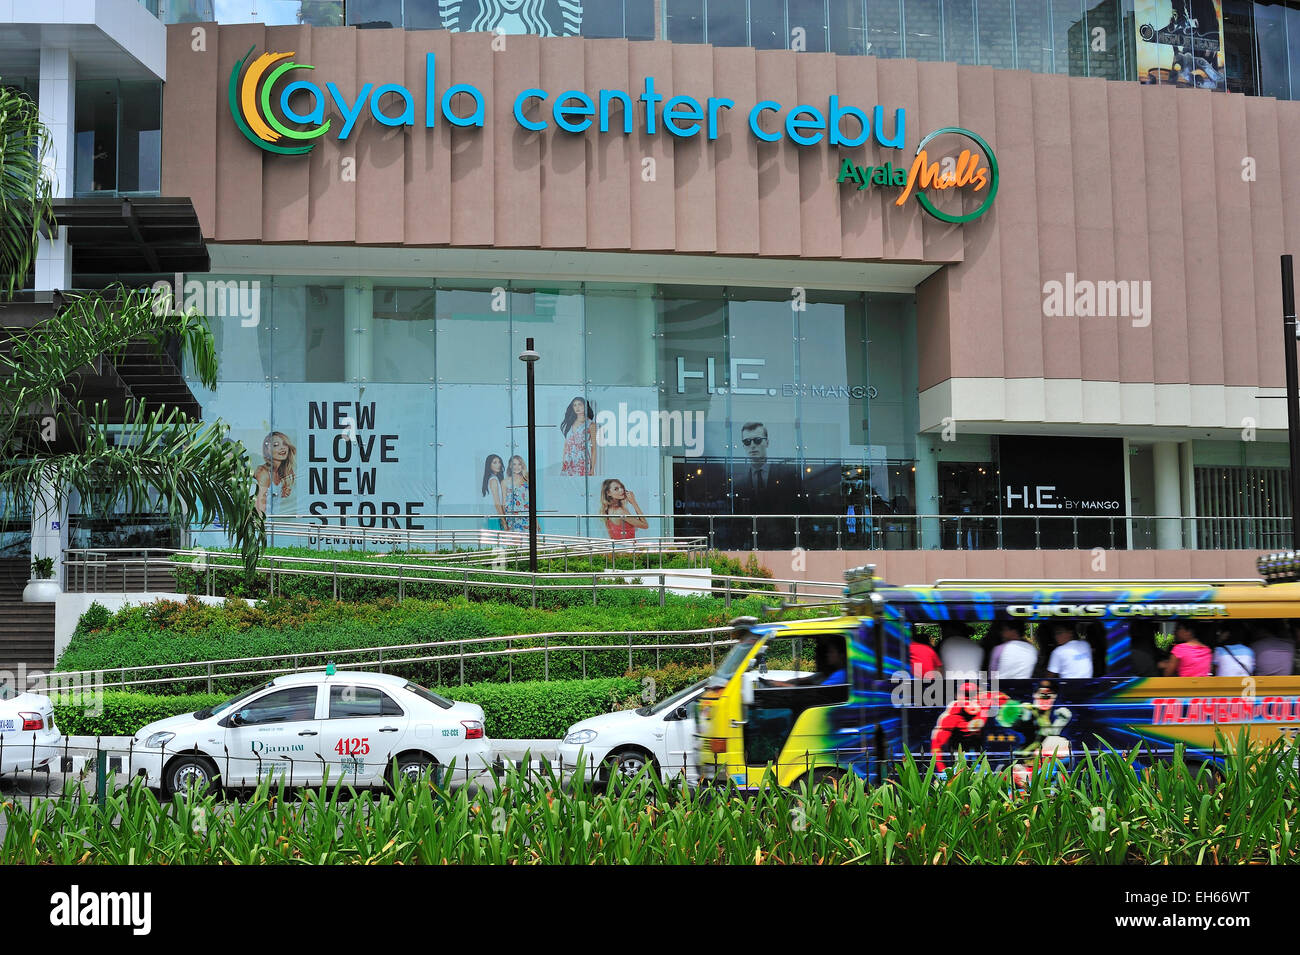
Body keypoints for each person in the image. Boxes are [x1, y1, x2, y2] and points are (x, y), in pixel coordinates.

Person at [253, 432, 296, 516]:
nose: (282, 448)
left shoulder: (281, 474)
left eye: (285, 444)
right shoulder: (263, 473)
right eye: (276, 445)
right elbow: (259, 507)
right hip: (264, 525)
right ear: (267, 450)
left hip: (272, 524)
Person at [560, 397, 597, 476]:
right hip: (568, 460)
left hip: (582, 461)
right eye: (575, 405)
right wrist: (563, 461)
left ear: (585, 406)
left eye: (580, 404)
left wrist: (592, 468)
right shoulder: (570, 423)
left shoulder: (591, 424)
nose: (577, 407)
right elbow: (566, 445)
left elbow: (593, 448)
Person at [502, 454, 530, 532]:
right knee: (515, 543)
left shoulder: (527, 480)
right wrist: (504, 522)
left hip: (527, 516)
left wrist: (536, 521)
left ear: (522, 466)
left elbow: (531, 502)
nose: (517, 467)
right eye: (514, 464)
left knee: (528, 542)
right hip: (512, 517)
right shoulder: (505, 482)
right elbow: (504, 503)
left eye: (519, 464)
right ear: (510, 466)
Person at [481, 454, 507, 529]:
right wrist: (504, 521)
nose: (498, 465)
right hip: (495, 518)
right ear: (489, 465)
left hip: (494, 517)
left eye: (499, 462)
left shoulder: (493, 479)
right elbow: (497, 503)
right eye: (494, 462)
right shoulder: (493, 480)